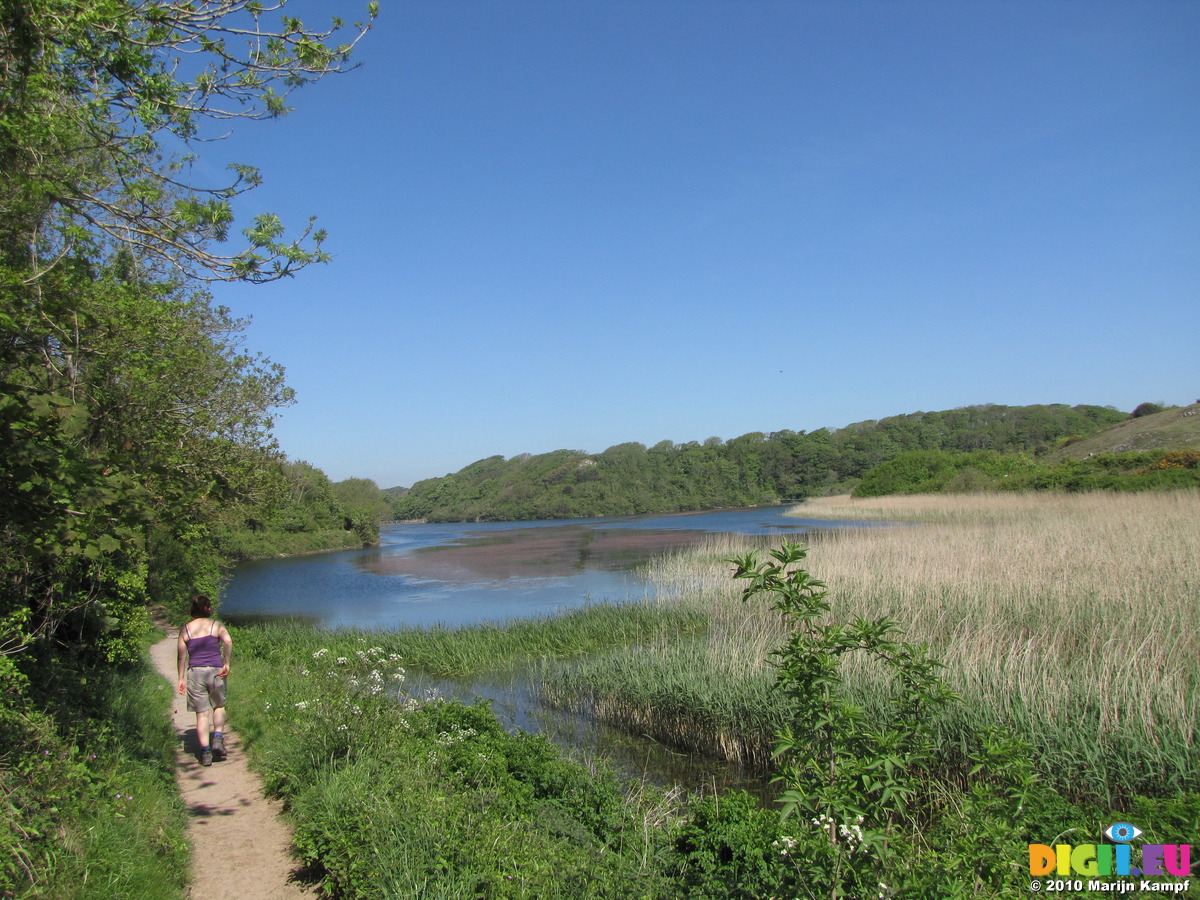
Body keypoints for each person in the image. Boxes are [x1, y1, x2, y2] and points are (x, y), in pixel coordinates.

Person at [176, 593, 233, 767]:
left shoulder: (185, 630)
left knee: (201, 714)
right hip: (216, 671)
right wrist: (227, 663)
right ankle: (217, 738)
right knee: (219, 706)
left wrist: (180, 678)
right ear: (207, 608)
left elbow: (181, 656)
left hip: (195, 674)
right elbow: (228, 641)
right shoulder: (216, 625)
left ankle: (205, 752)